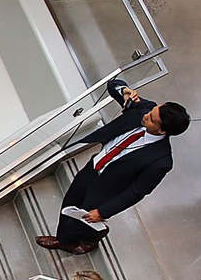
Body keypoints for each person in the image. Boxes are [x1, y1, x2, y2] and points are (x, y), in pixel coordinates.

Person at [38, 79, 189, 255]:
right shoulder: (144, 109)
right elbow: (113, 85)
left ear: (162, 131)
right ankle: (64, 238)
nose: (146, 115)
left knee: (80, 221)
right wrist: (125, 90)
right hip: (92, 170)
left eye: (151, 119)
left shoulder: (160, 161)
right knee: (69, 205)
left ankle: (81, 239)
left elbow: (136, 192)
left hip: (105, 192)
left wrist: (103, 212)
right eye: (152, 111)